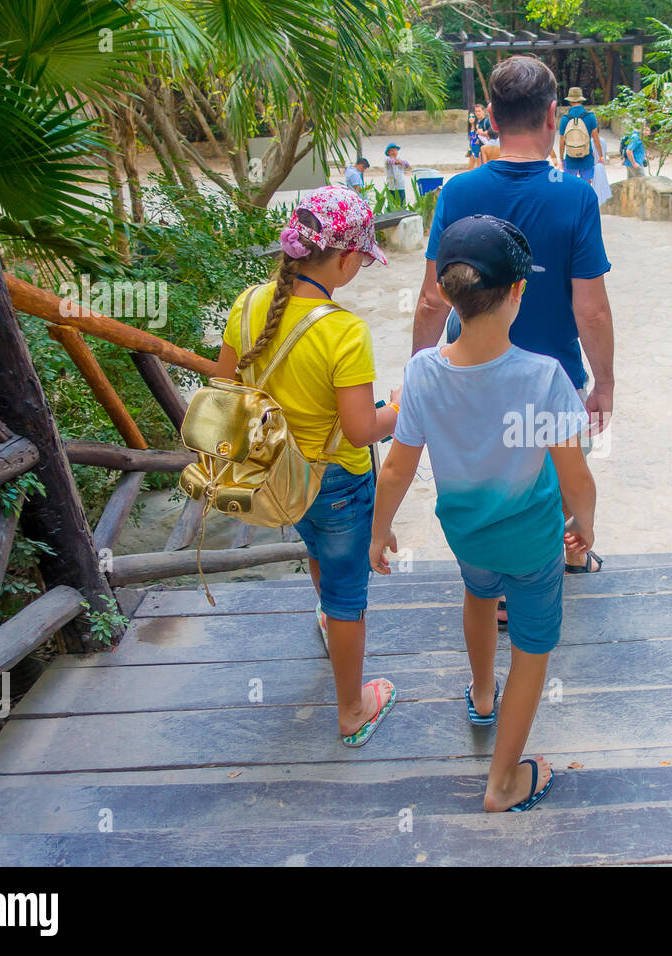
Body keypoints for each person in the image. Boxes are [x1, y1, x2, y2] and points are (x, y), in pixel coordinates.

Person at [372, 214, 597, 812]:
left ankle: (478, 695)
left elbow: (395, 468)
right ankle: (502, 784)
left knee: (477, 595)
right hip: (534, 541)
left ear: (446, 292)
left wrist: (380, 529)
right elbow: (575, 475)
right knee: (532, 649)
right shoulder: (545, 378)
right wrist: (585, 525)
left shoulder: (421, 373)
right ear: (519, 291)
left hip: (467, 534)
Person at [414, 55, 614, 585]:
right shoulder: (575, 196)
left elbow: (434, 301)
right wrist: (605, 382)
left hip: (471, 374)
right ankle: (566, 552)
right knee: (560, 470)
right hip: (554, 376)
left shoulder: (458, 192)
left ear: (493, 119)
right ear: (553, 115)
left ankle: (496, 583)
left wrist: (422, 370)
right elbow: (590, 309)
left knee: (491, 477)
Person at [213, 185, 400, 747]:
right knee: (349, 595)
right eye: (361, 259)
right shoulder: (343, 331)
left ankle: (326, 622)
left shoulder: (248, 302)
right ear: (343, 258)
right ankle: (352, 709)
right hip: (337, 480)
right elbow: (362, 429)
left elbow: (225, 388)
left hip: (279, 473)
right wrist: (399, 407)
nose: (361, 268)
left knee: (315, 550)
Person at [557, 87, 603, 184]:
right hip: (587, 157)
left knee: (571, 186)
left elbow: (562, 142)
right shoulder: (590, 117)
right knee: (586, 185)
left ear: (570, 101)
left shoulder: (565, 119)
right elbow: (596, 139)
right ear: (581, 100)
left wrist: (561, 158)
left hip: (570, 158)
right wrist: (601, 155)